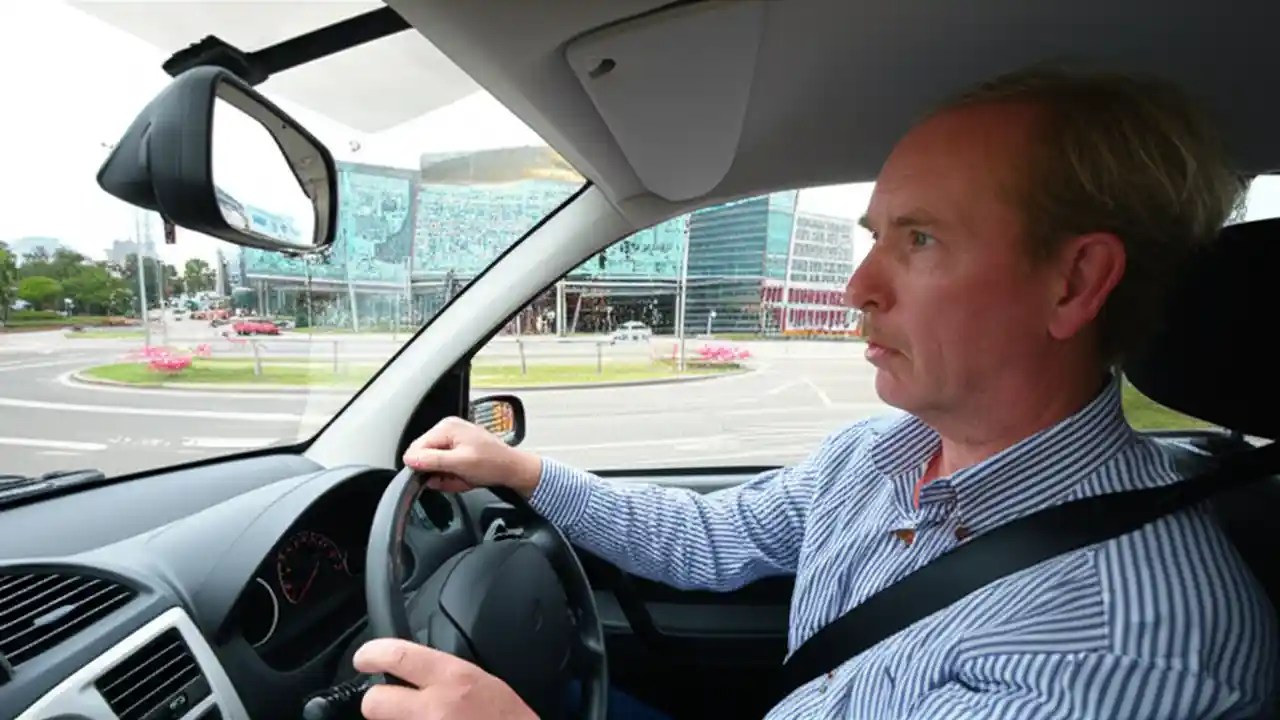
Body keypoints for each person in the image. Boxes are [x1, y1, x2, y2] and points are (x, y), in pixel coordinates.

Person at [354, 67, 1278, 719]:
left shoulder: (1119, 644)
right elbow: (711, 540)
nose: (856, 287)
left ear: (1072, 284)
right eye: (875, 234)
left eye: (919, 239)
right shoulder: (882, 455)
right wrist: (517, 469)